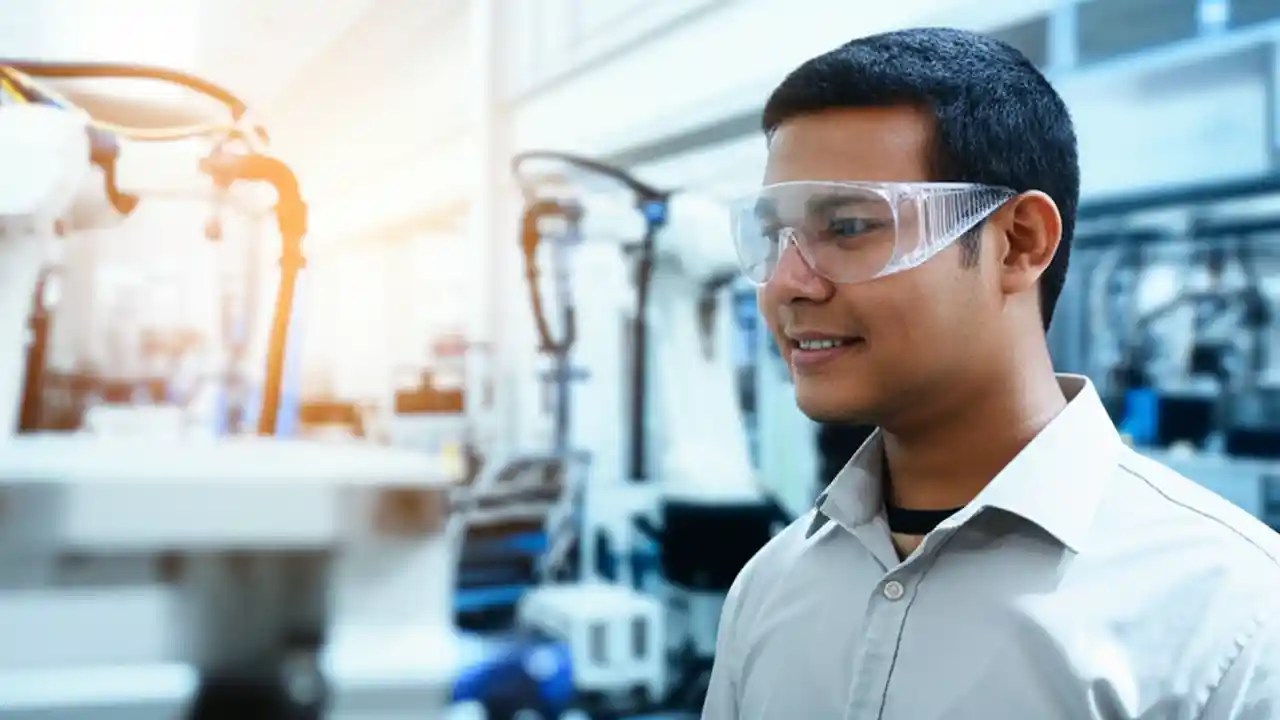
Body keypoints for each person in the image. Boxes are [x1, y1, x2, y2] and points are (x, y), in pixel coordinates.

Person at [704, 27, 1280, 719]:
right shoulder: (771, 588)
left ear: (1019, 243)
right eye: (773, 237)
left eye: (851, 227)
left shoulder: (1232, 616)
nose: (786, 284)